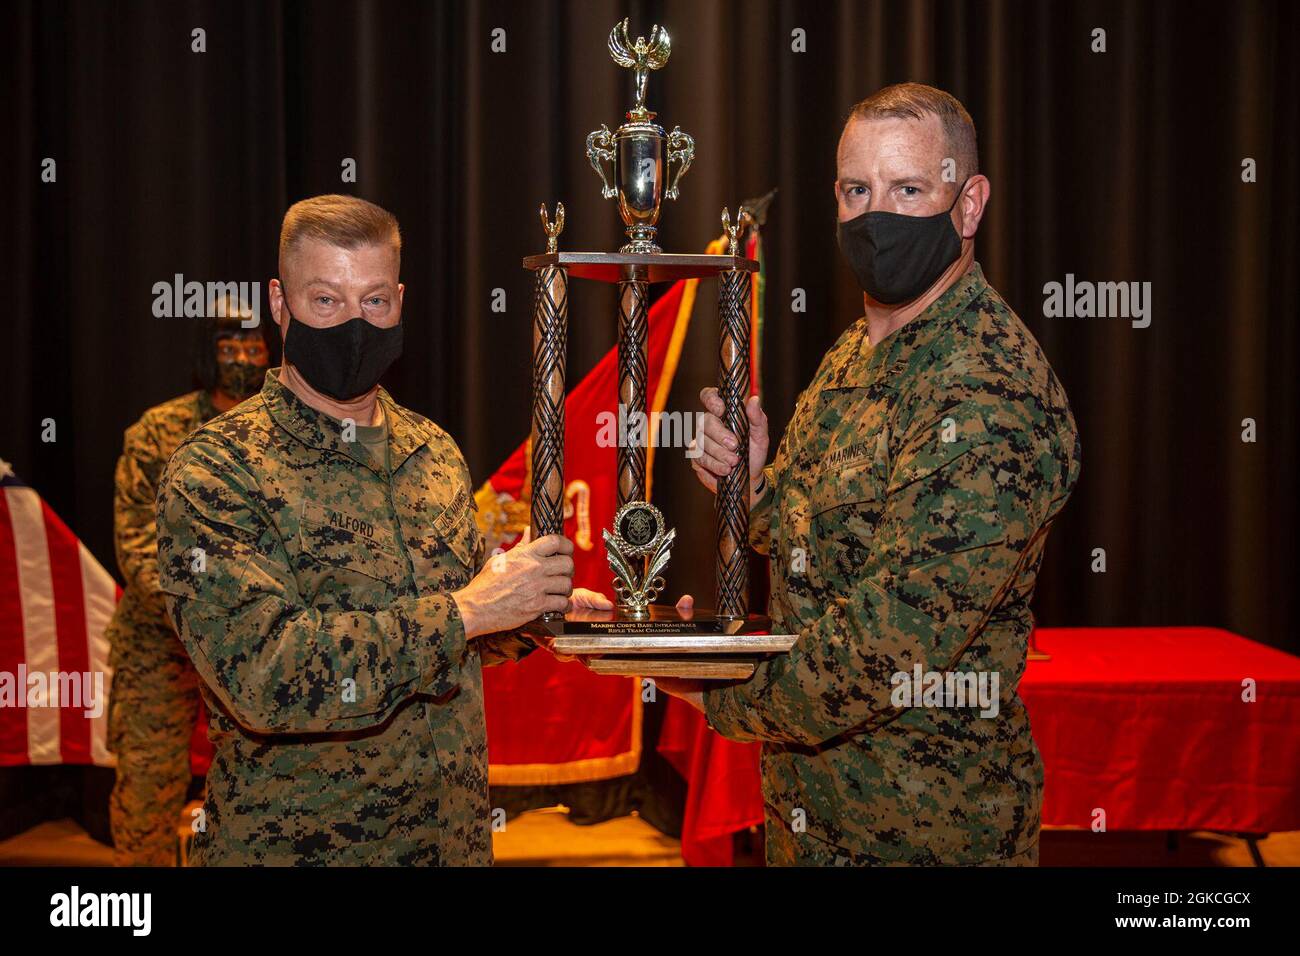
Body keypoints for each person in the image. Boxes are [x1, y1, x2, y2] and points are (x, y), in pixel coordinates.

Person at [673, 83, 1081, 865]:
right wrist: (754, 491)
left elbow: (887, 646)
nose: (877, 216)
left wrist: (714, 690)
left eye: (909, 190)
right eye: (859, 190)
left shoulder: (989, 391)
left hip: (929, 836)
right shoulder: (854, 352)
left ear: (968, 204)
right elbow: (822, 542)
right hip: (810, 821)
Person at [155, 194, 599, 865]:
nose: (353, 326)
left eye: (374, 303)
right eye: (326, 301)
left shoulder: (434, 452)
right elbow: (263, 677)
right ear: (280, 304)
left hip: (448, 845)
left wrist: (535, 615)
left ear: (400, 302)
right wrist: (465, 613)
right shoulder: (218, 470)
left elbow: (464, 630)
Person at [107, 297, 272, 865]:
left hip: (258, 637)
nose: (244, 358)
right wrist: (195, 617)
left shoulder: (286, 433)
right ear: (207, 353)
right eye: (230, 347)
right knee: (149, 782)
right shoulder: (159, 431)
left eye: (254, 347)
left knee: (266, 787)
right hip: (163, 637)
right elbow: (135, 543)